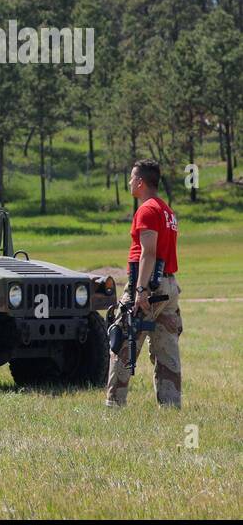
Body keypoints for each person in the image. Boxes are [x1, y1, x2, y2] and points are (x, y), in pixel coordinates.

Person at [105, 159, 183, 408]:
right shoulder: (167, 210)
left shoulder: (147, 210)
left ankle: (114, 405)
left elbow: (148, 252)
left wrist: (140, 290)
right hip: (168, 287)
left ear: (140, 182)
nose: (129, 182)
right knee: (166, 349)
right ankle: (170, 406)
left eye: (131, 178)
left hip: (150, 287)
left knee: (123, 341)